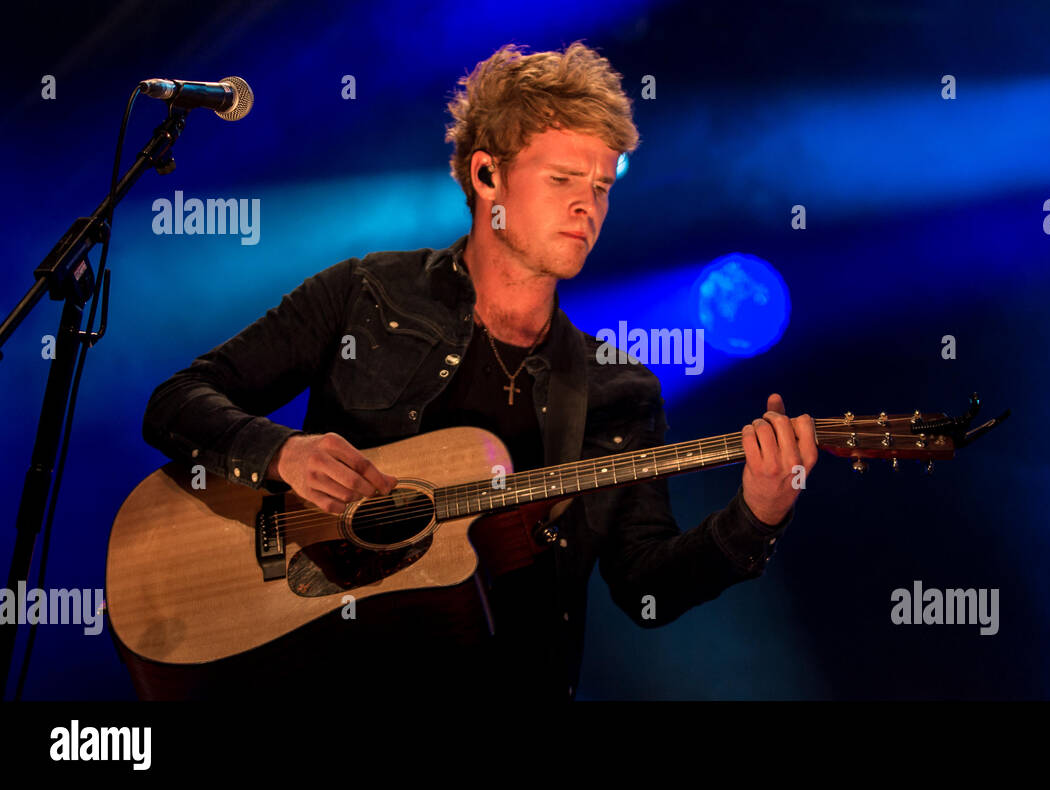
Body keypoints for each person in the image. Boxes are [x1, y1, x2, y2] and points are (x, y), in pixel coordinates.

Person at [136, 41, 818, 701]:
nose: (589, 207)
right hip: (330, 675)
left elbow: (646, 591)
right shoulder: (366, 294)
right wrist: (282, 453)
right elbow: (175, 402)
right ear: (488, 175)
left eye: (602, 187)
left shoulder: (619, 389)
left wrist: (755, 518)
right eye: (562, 180)